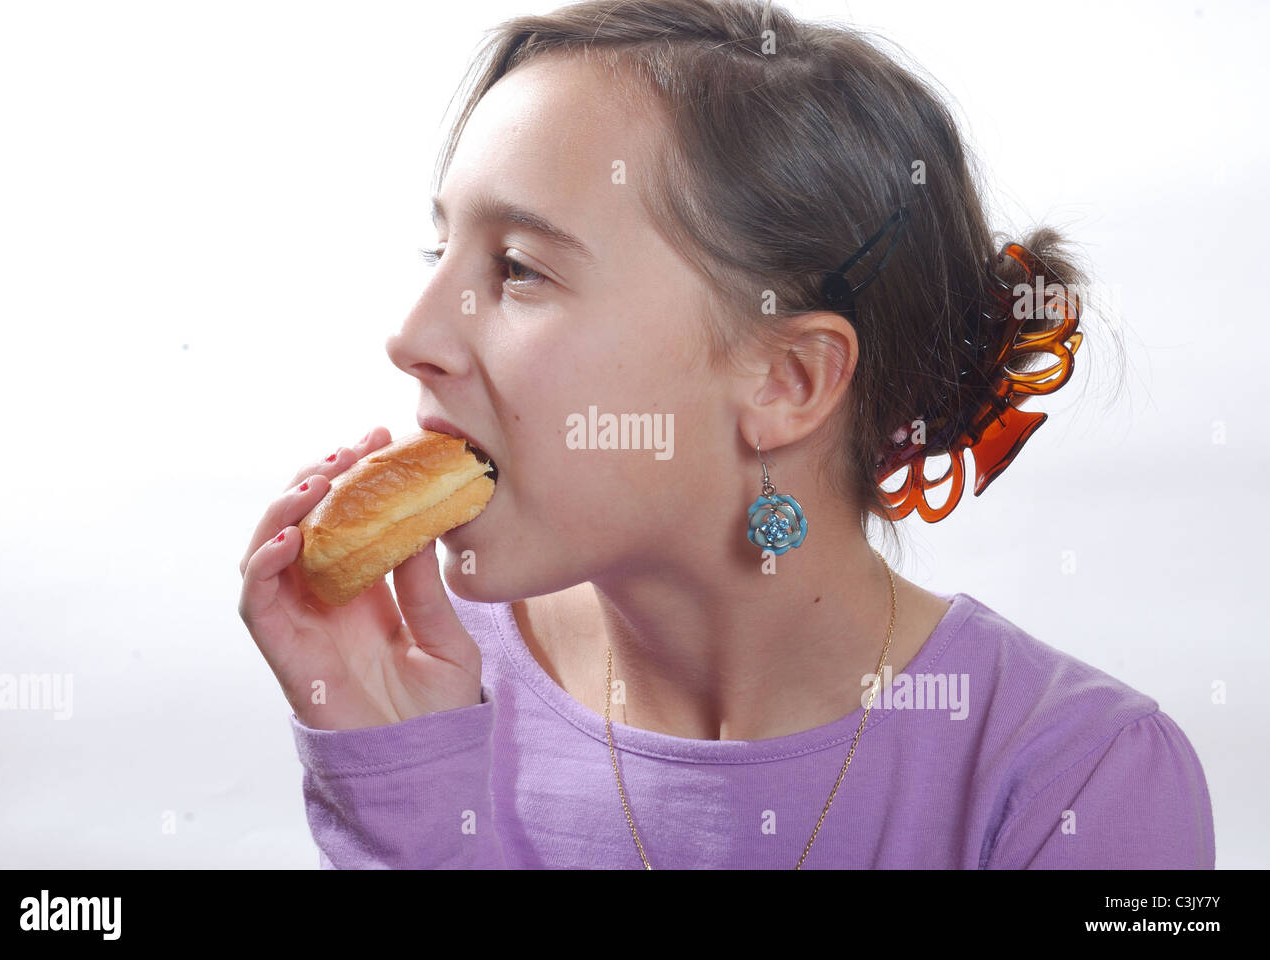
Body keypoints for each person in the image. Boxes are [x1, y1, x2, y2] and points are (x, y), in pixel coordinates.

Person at [237, 0, 1214, 868]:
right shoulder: (425, 697)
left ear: (786, 382)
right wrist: (407, 808)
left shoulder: (1080, 784)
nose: (411, 337)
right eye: (438, 248)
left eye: (519, 269)